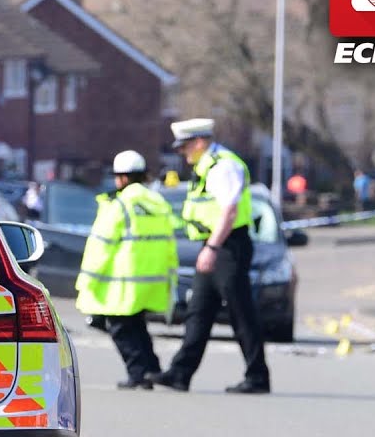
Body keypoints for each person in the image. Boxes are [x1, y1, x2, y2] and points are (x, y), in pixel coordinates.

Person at [150, 118, 271, 394]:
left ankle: (257, 376)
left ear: (200, 142)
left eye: (185, 147)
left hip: (228, 246)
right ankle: (180, 373)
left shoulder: (223, 166)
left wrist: (213, 248)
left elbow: (229, 212)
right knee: (199, 312)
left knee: (241, 312)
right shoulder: (208, 166)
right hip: (216, 245)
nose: (183, 153)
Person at [74, 150, 179, 390]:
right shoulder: (158, 202)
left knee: (121, 328)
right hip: (150, 280)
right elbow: (169, 242)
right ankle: (152, 369)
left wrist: (87, 280)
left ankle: (138, 374)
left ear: (122, 178)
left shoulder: (119, 205)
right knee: (138, 327)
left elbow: (100, 246)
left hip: (122, 283)